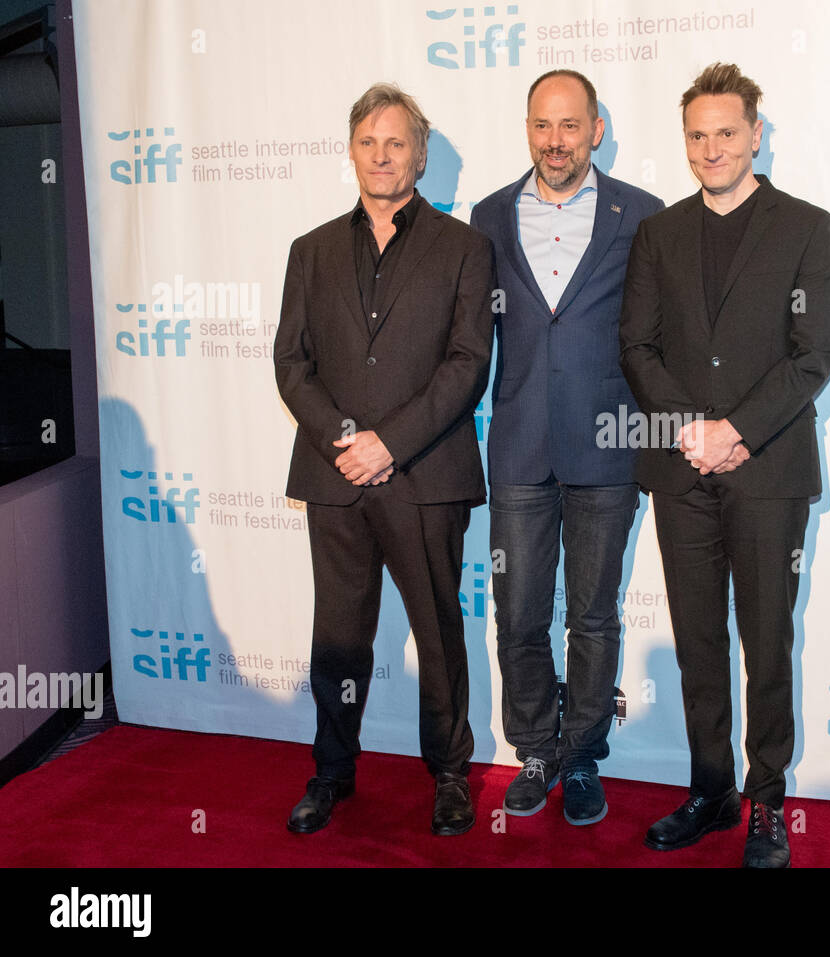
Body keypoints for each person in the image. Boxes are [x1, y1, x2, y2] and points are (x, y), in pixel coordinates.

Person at [619, 62, 830, 868]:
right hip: (682, 472)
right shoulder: (659, 233)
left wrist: (735, 431)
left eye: (726, 132)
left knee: (766, 641)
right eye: (697, 136)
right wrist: (691, 429)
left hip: (767, 472)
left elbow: (810, 358)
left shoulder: (808, 227)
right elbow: (636, 345)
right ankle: (711, 788)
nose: (711, 148)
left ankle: (768, 799)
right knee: (698, 643)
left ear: (756, 133)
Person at [274, 83, 494, 837]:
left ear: (422, 154)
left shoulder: (465, 247)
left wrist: (389, 443)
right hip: (336, 481)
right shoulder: (310, 251)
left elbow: (467, 365)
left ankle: (451, 773)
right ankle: (332, 771)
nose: (381, 154)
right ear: (350, 151)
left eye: (396, 142)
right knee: (337, 638)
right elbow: (290, 363)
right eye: (368, 141)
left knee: (439, 633)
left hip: (425, 476)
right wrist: (346, 440)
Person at [470, 70, 663, 825]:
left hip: (608, 449)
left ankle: (580, 751)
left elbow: (657, 337)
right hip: (517, 446)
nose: (556, 141)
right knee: (517, 613)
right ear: (528, 129)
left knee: (592, 614)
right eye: (542, 126)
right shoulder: (487, 216)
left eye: (570, 126)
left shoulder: (642, 215)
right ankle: (535, 748)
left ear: (597, 129)